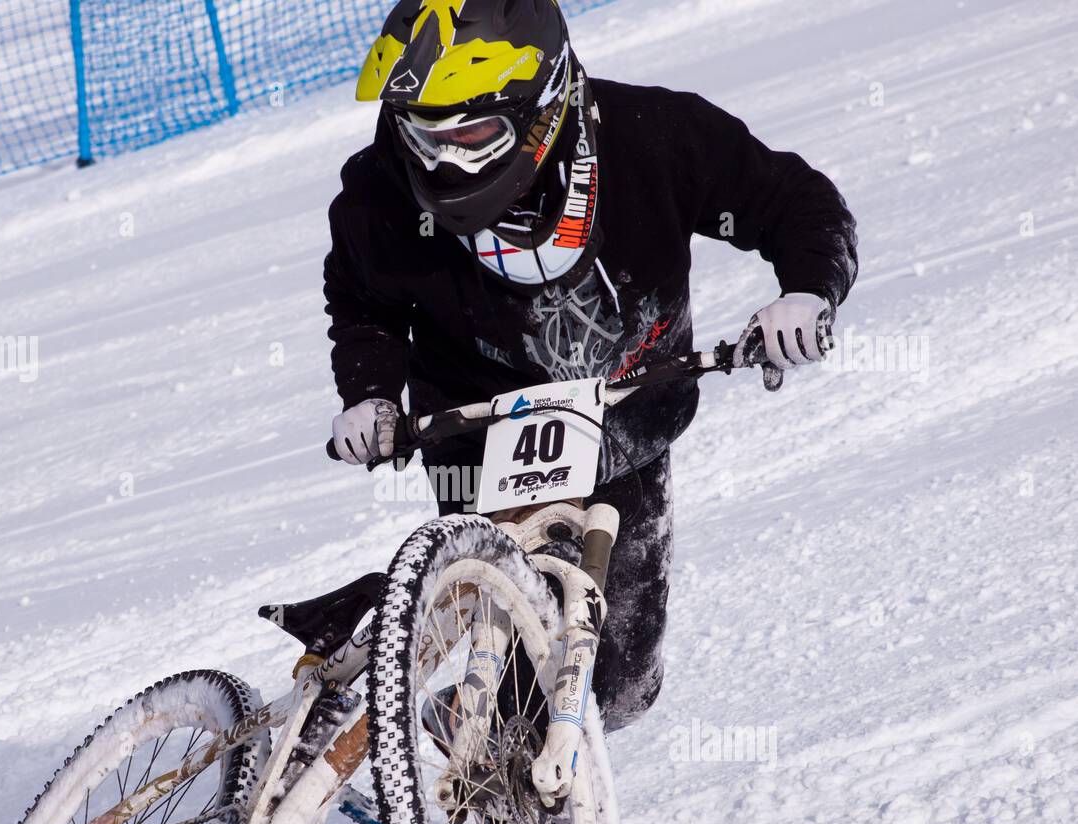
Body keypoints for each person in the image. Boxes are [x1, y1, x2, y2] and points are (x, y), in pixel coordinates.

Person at [325, 0, 858, 731]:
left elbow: (796, 203)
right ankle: (489, 747)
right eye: (426, 137)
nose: (444, 163)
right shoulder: (380, 190)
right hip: (478, 440)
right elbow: (363, 306)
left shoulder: (655, 139)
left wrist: (806, 291)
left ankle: (496, 735)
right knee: (520, 655)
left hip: (628, 425)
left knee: (621, 686)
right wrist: (371, 394)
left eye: (474, 137)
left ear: (543, 106)